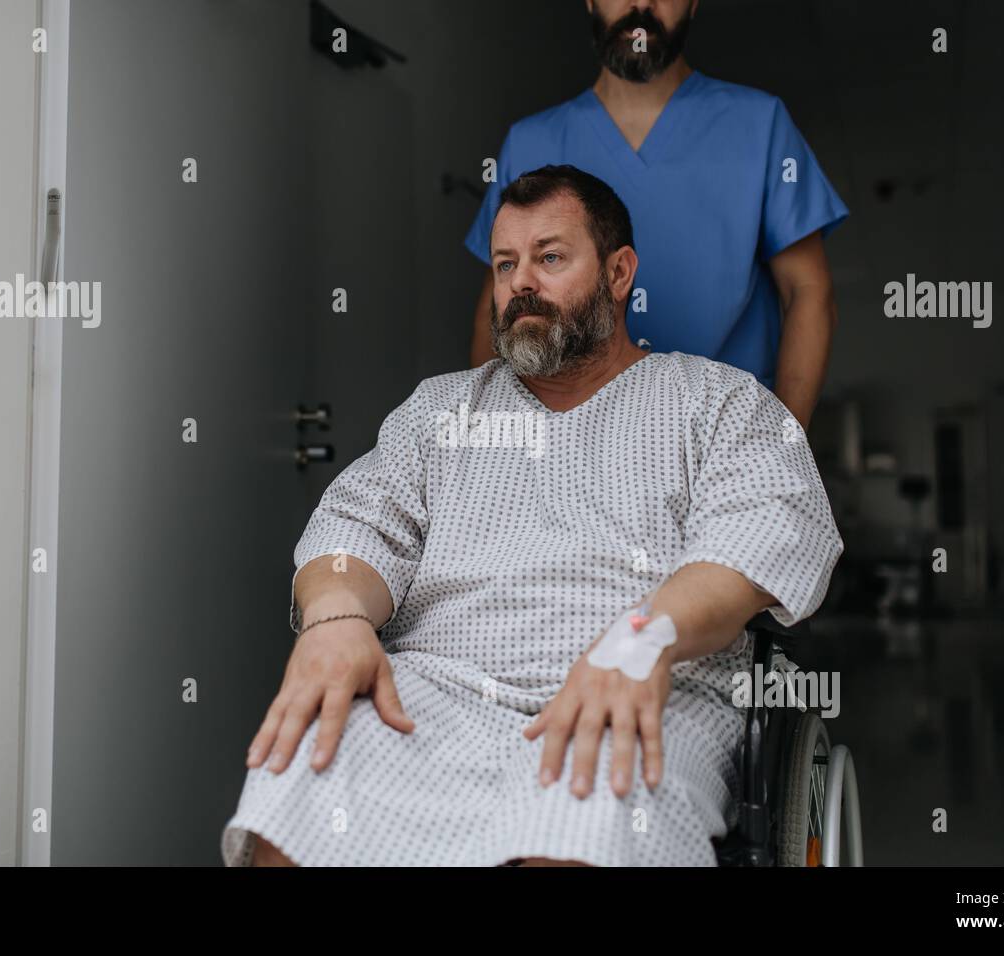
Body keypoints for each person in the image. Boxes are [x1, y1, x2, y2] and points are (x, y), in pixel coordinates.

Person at [221, 165, 843, 867]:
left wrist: (639, 641)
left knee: (578, 825)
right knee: (300, 785)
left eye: (549, 258)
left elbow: (758, 537)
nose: (521, 283)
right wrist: (335, 620)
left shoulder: (718, 403)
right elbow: (357, 529)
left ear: (618, 272)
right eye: (505, 263)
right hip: (433, 697)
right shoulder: (439, 412)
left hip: (638, 697)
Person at [464, 0, 848, 428]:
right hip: (564, 439)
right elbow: (496, 309)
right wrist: (496, 443)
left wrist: (778, 445)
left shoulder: (760, 124)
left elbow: (808, 292)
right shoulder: (530, 142)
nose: (641, 4)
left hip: (722, 435)